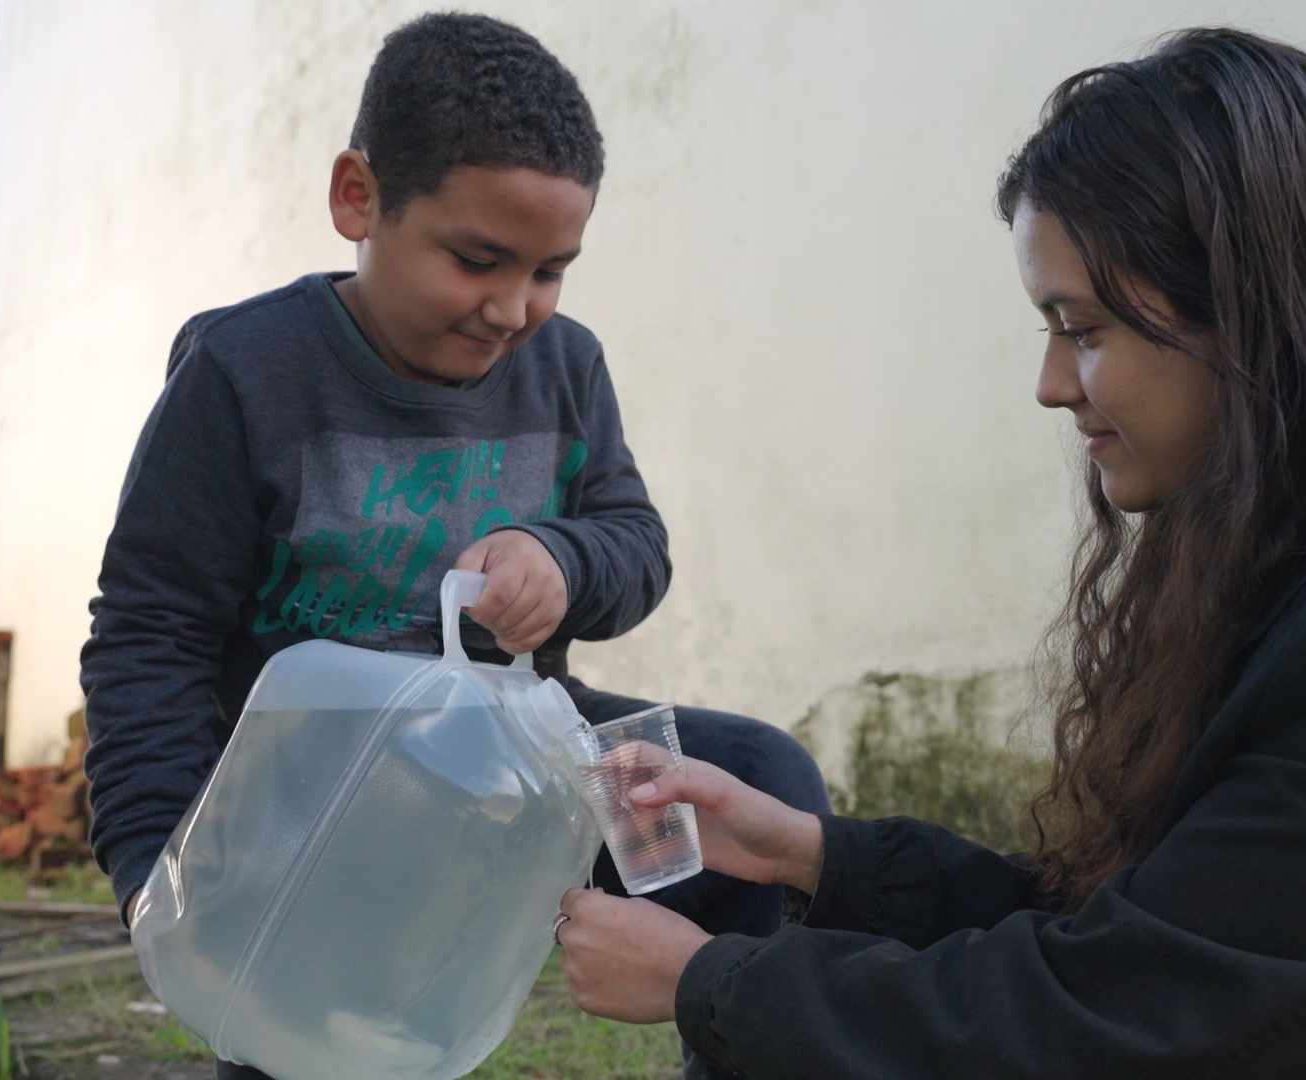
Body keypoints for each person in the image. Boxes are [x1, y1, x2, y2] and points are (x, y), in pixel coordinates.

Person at [553, 28, 1306, 1079]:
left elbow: (1137, 1020)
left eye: (1082, 329)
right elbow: (1165, 935)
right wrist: (816, 855)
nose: (1048, 384)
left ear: (1250, 318)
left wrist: (715, 981)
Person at [77, 13, 828, 1080]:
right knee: (303, 1043)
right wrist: (155, 865)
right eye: (477, 259)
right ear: (359, 199)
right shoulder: (244, 375)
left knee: (754, 777)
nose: (512, 309)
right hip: (323, 796)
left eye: (551, 270)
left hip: (526, 760)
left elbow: (637, 544)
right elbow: (147, 634)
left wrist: (563, 559)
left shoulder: (566, 367)